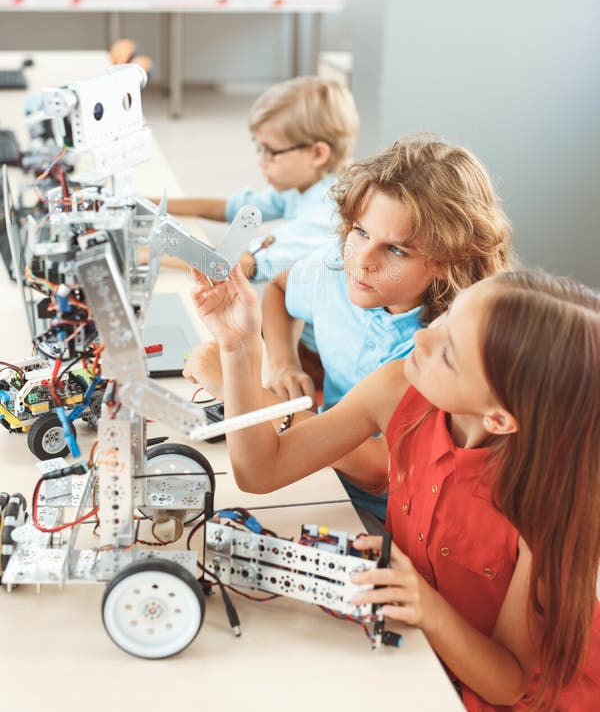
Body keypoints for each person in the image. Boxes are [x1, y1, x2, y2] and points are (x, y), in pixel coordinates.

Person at [190, 265, 600, 711]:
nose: (423, 338)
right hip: (417, 652)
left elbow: (509, 684)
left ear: (499, 418)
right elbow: (261, 471)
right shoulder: (398, 388)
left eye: (449, 354)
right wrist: (238, 347)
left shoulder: (553, 508)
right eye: (445, 319)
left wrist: (427, 607)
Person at [185, 137, 513, 524]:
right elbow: (279, 287)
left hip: (390, 519)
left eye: (396, 250)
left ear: (447, 260)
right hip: (325, 464)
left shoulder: (439, 351)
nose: (362, 261)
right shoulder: (337, 268)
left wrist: (237, 386)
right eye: (360, 231)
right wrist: (282, 361)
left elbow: (377, 472)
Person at [154, 76, 358, 280]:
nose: (261, 162)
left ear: (318, 154)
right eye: (259, 148)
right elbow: (233, 208)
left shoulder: (326, 213)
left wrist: (152, 253)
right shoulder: (305, 184)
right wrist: (150, 205)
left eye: (271, 152)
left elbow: (242, 264)